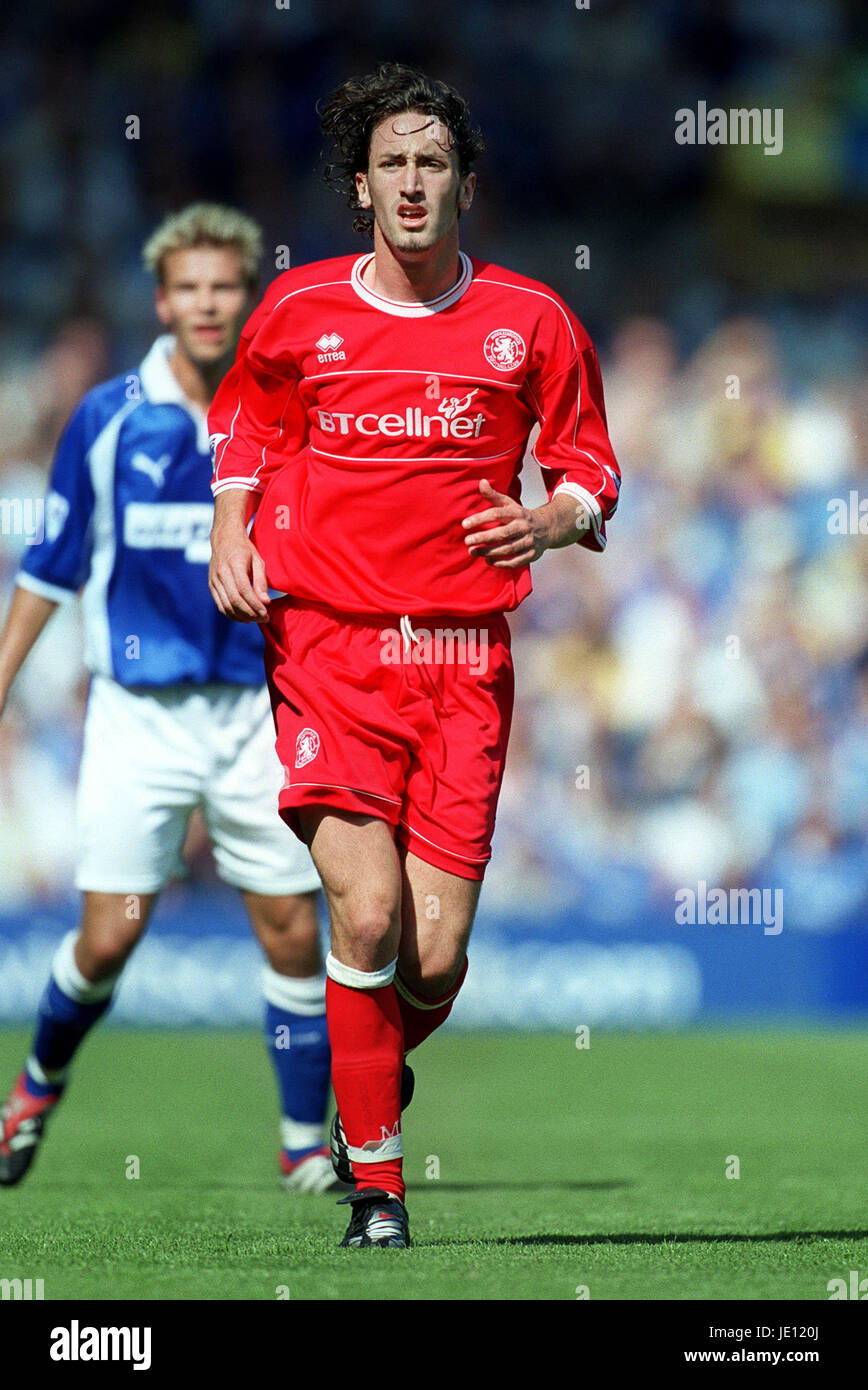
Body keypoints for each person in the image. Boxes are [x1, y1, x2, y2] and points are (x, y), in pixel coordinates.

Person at [208, 65, 621, 1248]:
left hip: (463, 660)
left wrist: (548, 518)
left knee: (433, 959)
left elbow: (592, 471)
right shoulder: (295, 311)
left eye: (430, 162)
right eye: (390, 161)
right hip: (329, 648)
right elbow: (247, 421)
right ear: (359, 187)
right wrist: (234, 521)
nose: (409, 181)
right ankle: (379, 1192)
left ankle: (366, 1086)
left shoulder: (531, 321)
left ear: (463, 185)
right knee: (372, 910)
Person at [0, 204, 341, 1195]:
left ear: (247, 298)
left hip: (253, 710)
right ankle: (34, 1088)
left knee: (288, 924)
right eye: (188, 287)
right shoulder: (109, 418)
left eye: (224, 286)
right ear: (162, 300)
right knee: (110, 934)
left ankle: (300, 1146)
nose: (206, 303)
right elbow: (52, 565)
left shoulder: (285, 416)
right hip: (136, 715)